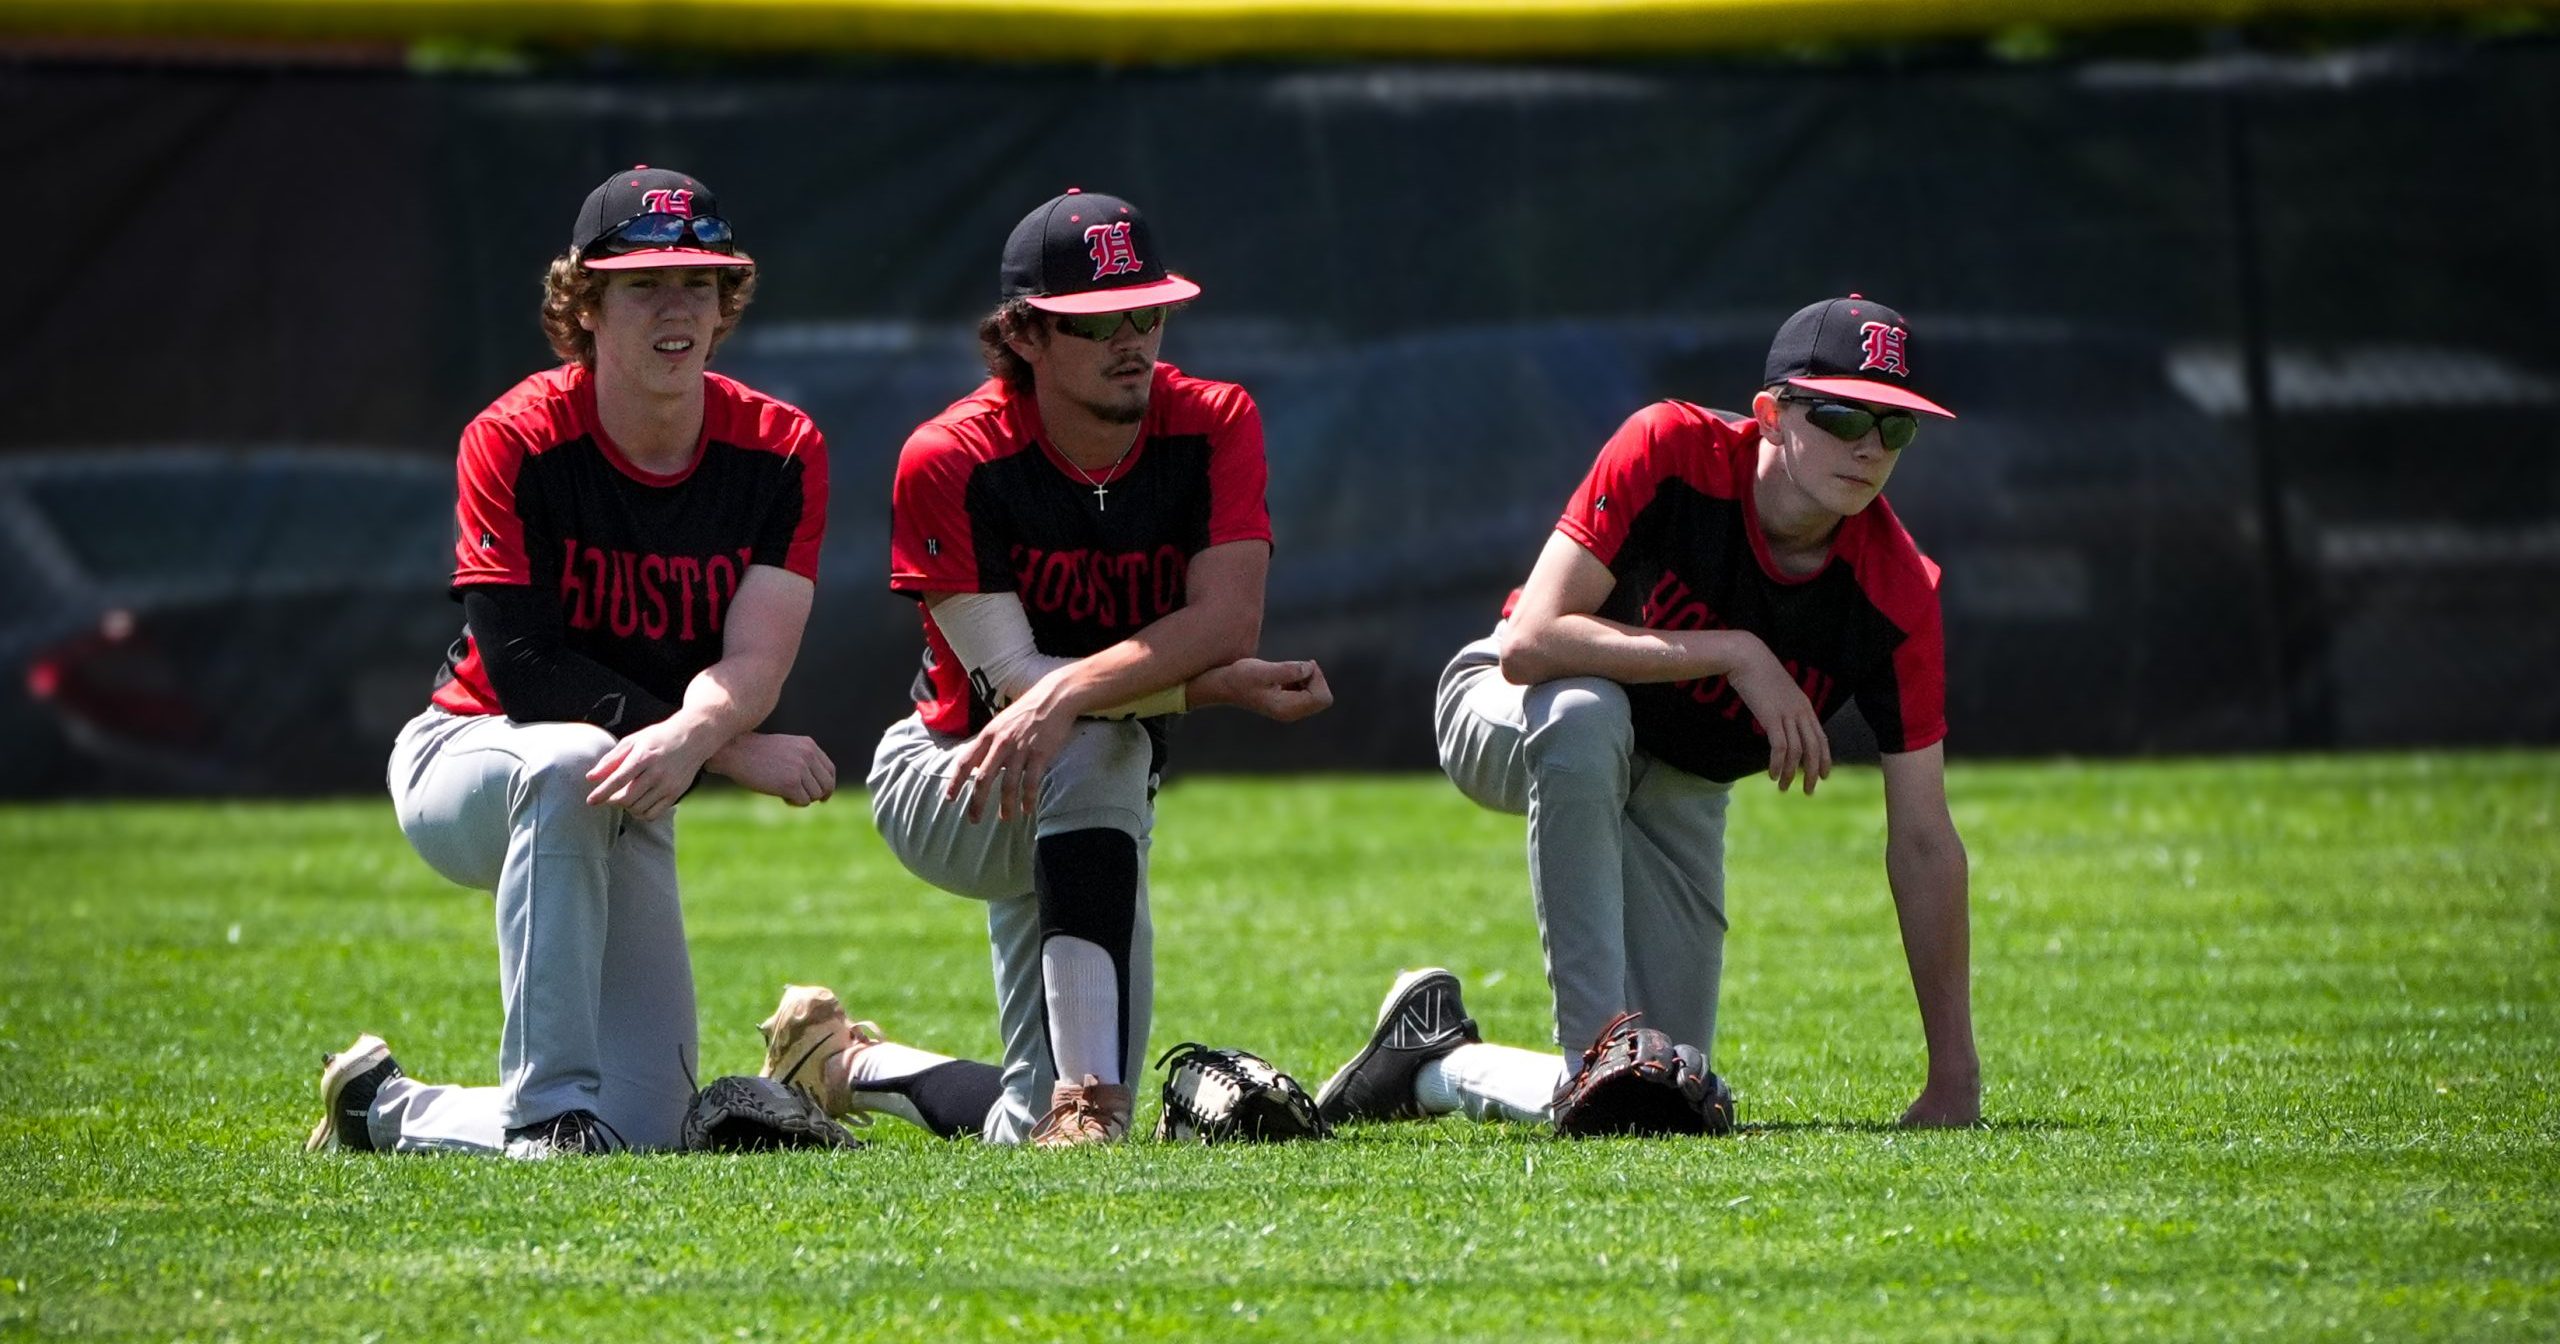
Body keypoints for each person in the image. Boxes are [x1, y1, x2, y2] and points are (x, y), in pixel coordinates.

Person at [1316, 296, 1980, 1133]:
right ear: (1772, 415)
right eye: (1844, 414)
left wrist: (1954, 1076)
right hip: (1517, 704)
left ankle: (1435, 1064)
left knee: (1664, 1099)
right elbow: (1533, 643)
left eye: (1897, 428)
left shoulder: (1896, 589)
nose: (1869, 448)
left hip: (1679, 783)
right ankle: (1593, 1050)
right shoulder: (1671, 447)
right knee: (1588, 714)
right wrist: (1736, 651)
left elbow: (1924, 837)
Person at [305, 165, 835, 1158]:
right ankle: (547, 1113)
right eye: (642, 284)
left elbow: (753, 660)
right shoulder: (517, 436)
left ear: (727, 303)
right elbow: (524, 671)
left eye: (699, 281)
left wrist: (703, 732)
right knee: (562, 756)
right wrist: (723, 750)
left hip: (635, 772)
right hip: (476, 757)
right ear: (584, 305)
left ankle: (381, 1108)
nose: (676, 307)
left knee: (647, 1125)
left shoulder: (780, 445)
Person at [786, 187, 1330, 1149]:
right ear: (1026, 335)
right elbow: (1013, 687)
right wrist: (1195, 690)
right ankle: (1094, 1107)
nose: (1133, 339)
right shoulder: (952, 455)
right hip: (954, 773)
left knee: (1016, 1121)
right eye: (1096, 321)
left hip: (1080, 773)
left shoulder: (1211, 422)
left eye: (1148, 312)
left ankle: (847, 1065)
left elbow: (1227, 620)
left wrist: (1144, 682)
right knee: (1102, 752)